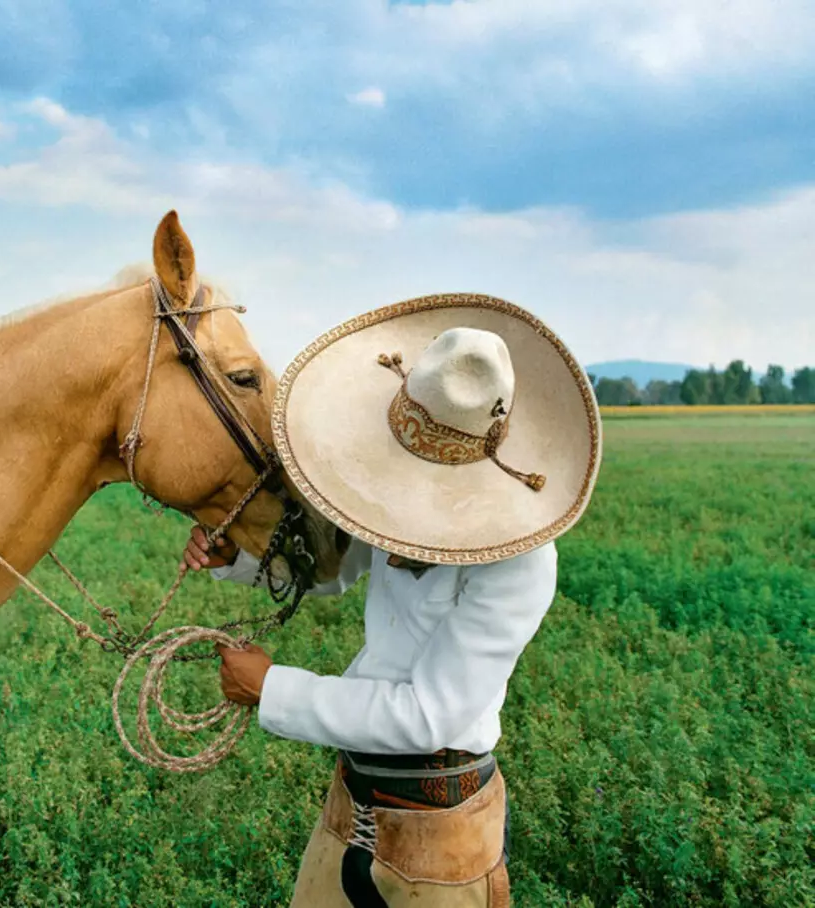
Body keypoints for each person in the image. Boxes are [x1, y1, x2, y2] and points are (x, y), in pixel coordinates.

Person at [183, 295, 602, 908]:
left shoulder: (522, 560)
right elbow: (335, 572)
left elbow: (427, 716)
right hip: (352, 800)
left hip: (443, 836)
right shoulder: (393, 510)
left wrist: (272, 688)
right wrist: (240, 563)